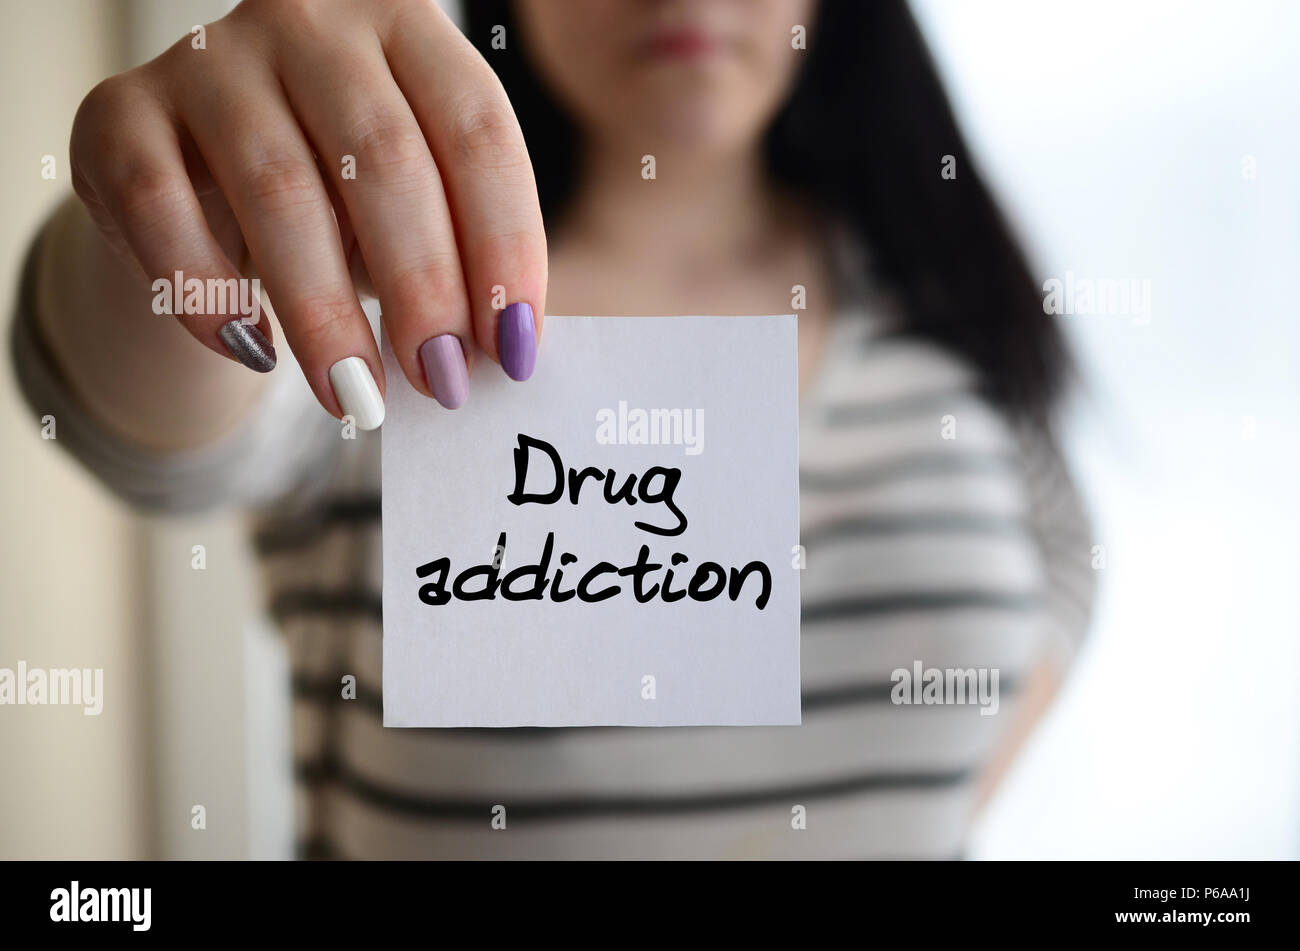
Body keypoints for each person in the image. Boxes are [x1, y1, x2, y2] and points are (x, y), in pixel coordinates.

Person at [11, 0, 1093, 858]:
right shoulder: (364, 294)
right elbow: (132, 426)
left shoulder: (942, 291)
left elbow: (1063, 559)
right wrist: (172, 208)